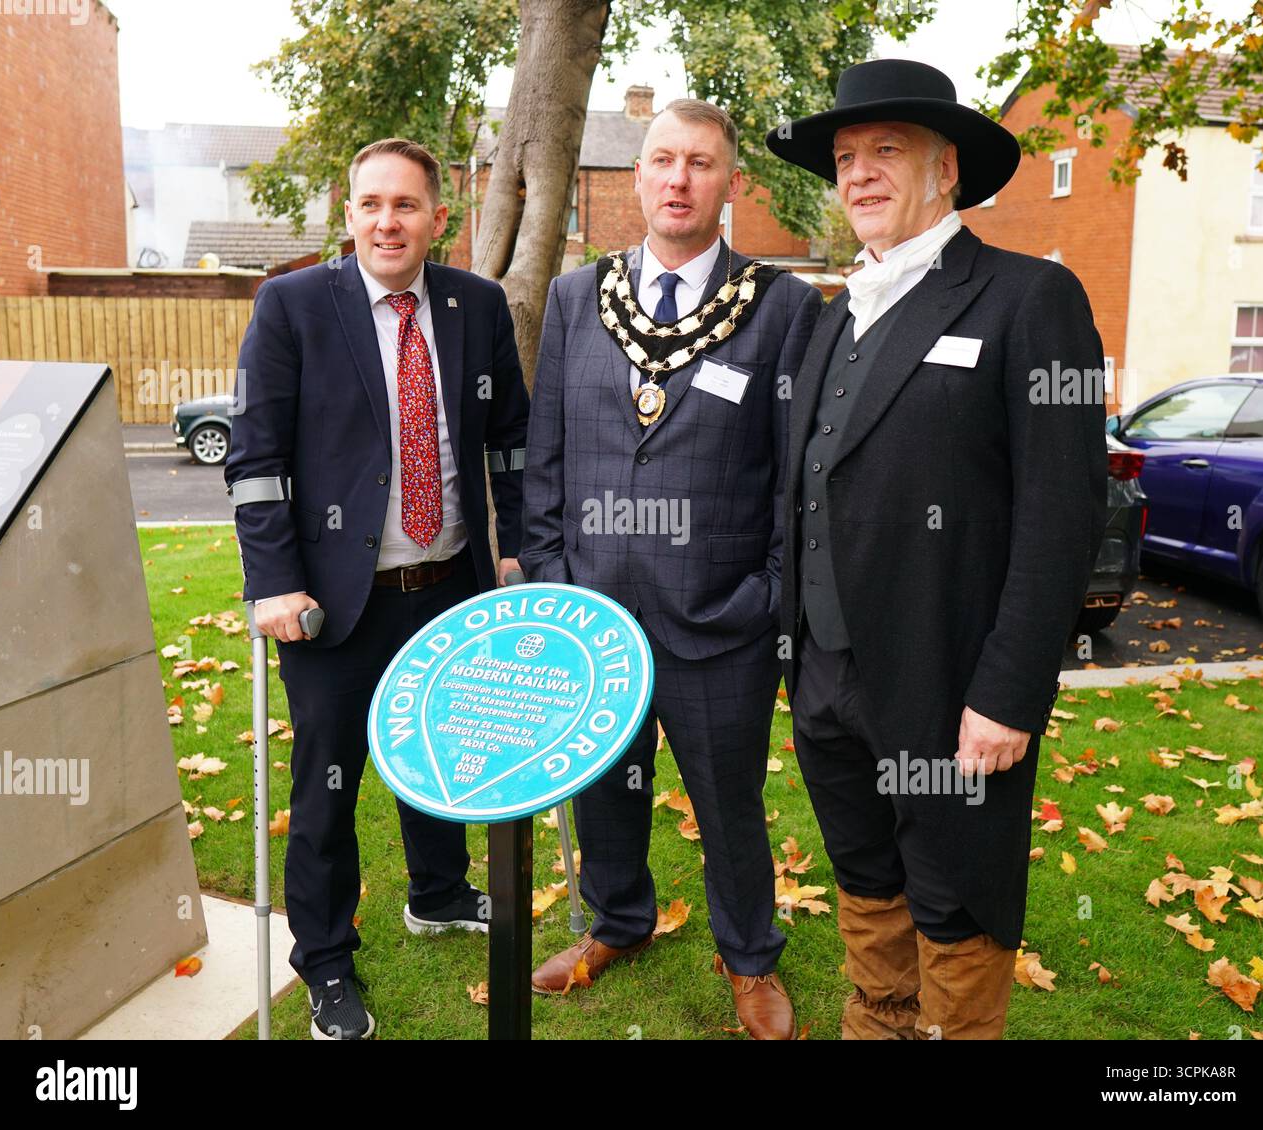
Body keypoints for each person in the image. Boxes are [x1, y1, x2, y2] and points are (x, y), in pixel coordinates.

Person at [765, 59, 1107, 1039]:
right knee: (866, 874)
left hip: (954, 683)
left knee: (955, 894)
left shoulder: (1032, 298)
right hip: (827, 676)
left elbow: (1063, 510)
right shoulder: (834, 316)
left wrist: (1008, 689)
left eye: (885, 151)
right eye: (843, 158)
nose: (859, 174)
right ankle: (878, 1021)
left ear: (945, 169)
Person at [520, 99, 822, 1040]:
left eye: (700, 164)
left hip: (719, 617)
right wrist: (550, 581)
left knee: (729, 799)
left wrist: (769, 592)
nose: (679, 179)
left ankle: (749, 957)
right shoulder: (578, 296)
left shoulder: (782, 308)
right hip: (596, 611)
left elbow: (797, 475)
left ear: (730, 183)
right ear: (638, 177)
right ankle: (620, 920)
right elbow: (548, 458)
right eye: (663, 160)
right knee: (606, 786)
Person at [226, 138, 530, 1040]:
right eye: (370, 205)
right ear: (349, 214)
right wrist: (275, 581)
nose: (387, 221)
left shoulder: (477, 306)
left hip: (452, 586)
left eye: (406, 205)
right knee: (329, 784)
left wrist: (520, 548)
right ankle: (324, 962)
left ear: (440, 217)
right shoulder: (291, 306)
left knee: (440, 757)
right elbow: (255, 458)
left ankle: (437, 894)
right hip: (331, 602)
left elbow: (510, 439)